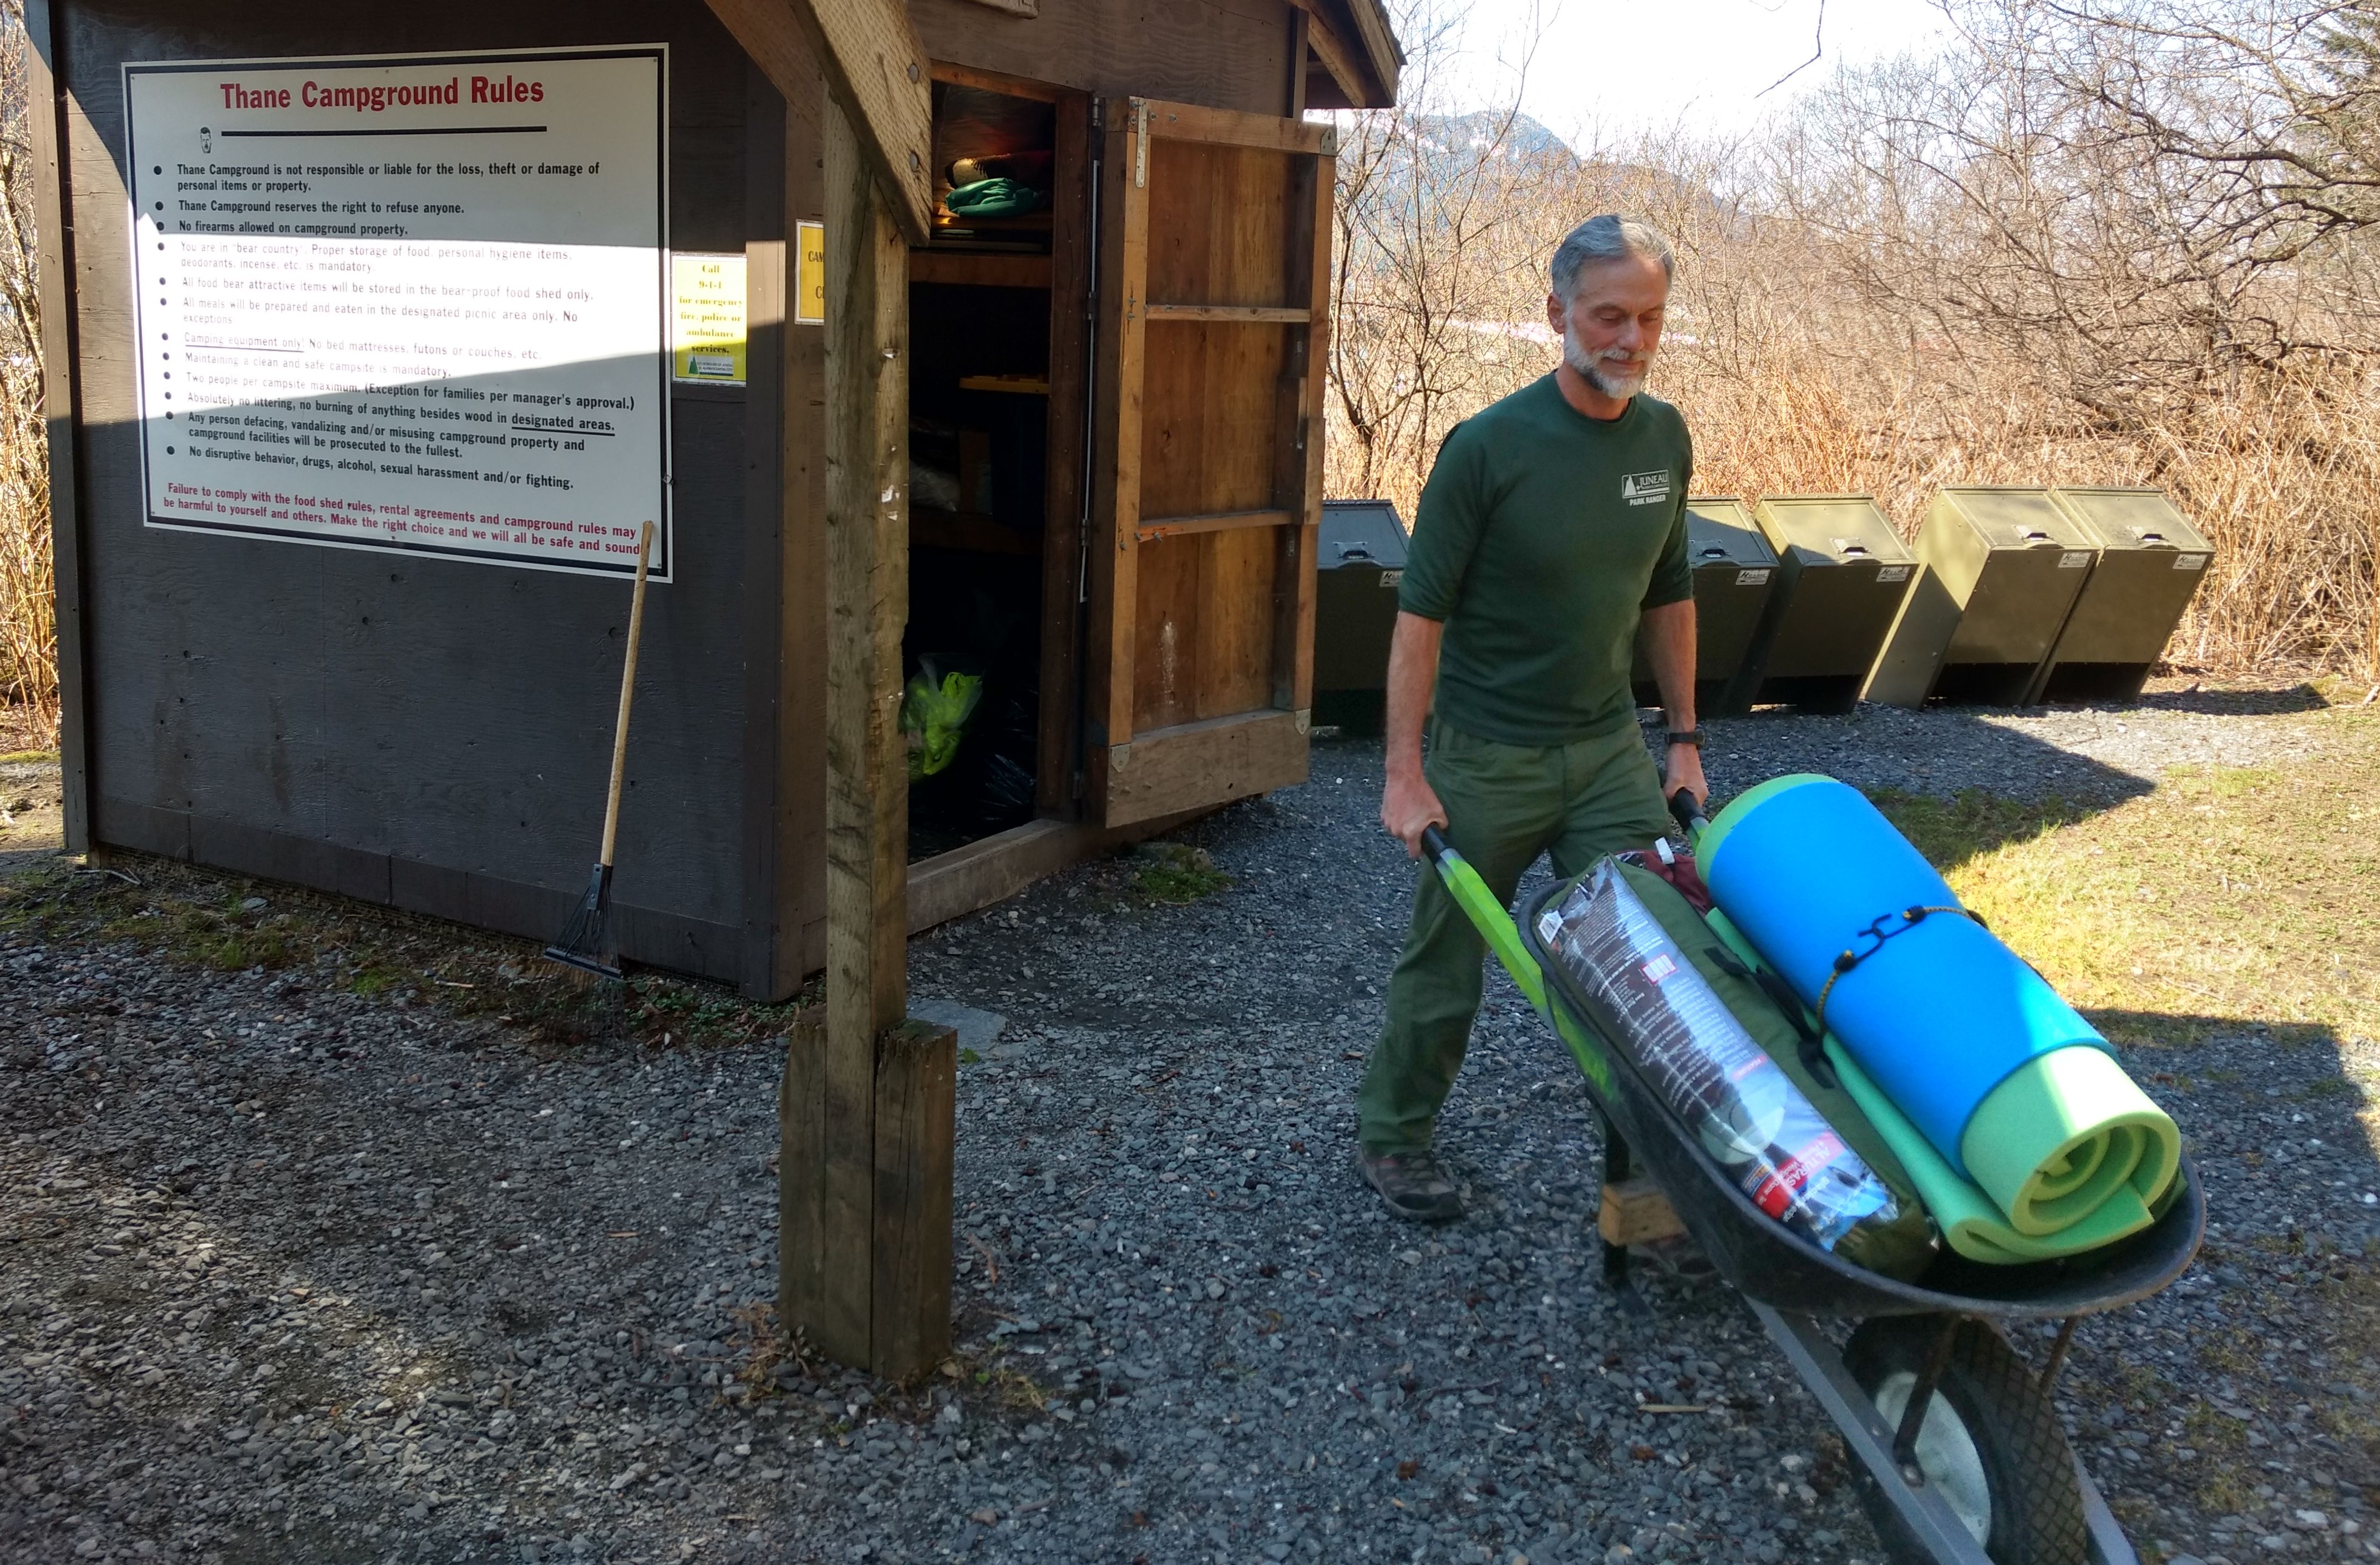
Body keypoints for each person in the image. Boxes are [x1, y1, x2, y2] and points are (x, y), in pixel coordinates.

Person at [1355, 214, 1707, 1224]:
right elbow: (1419, 620)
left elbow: (1669, 593)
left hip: (1608, 752)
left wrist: (1683, 740)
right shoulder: (1488, 448)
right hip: (1486, 755)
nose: (1631, 339)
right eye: (1608, 316)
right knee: (1449, 958)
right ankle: (1395, 1134)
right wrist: (1404, 773)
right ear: (1557, 313)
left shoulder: (1664, 439)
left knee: (1657, 954)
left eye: (1649, 318)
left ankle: (1666, 1165)